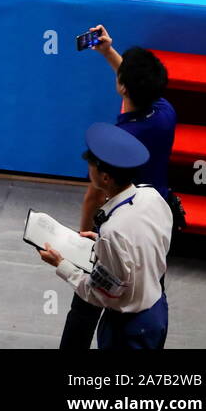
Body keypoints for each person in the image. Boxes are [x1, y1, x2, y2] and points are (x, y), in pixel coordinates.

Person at [60, 27, 178, 350]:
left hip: (122, 220)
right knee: (149, 287)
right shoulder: (166, 113)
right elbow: (137, 87)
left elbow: (95, 193)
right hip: (154, 221)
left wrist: (78, 246)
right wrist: (109, 53)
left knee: (90, 299)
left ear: (123, 86)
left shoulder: (122, 137)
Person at [38, 123, 172, 350]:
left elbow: (102, 294)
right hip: (157, 310)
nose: (88, 168)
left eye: (92, 164)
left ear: (106, 178)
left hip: (128, 329)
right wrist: (101, 247)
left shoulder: (113, 232)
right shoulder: (152, 197)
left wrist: (61, 265)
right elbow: (146, 248)